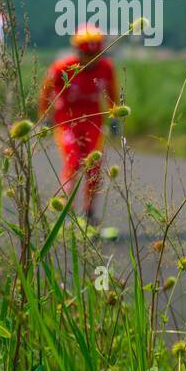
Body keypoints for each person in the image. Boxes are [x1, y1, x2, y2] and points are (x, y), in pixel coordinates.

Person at [38, 23, 119, 225]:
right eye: (86, 55)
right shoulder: (61, 67)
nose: (91, 61)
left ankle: (89, 212)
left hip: (94, 120)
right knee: (73, 162)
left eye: (96, 55)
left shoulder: (106, 67)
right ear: (77, 51)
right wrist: (44, 118)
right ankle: (66, 212)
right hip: (67, 120)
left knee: (93, 166)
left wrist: (114, 116)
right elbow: (45, 93)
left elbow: (112, 94)